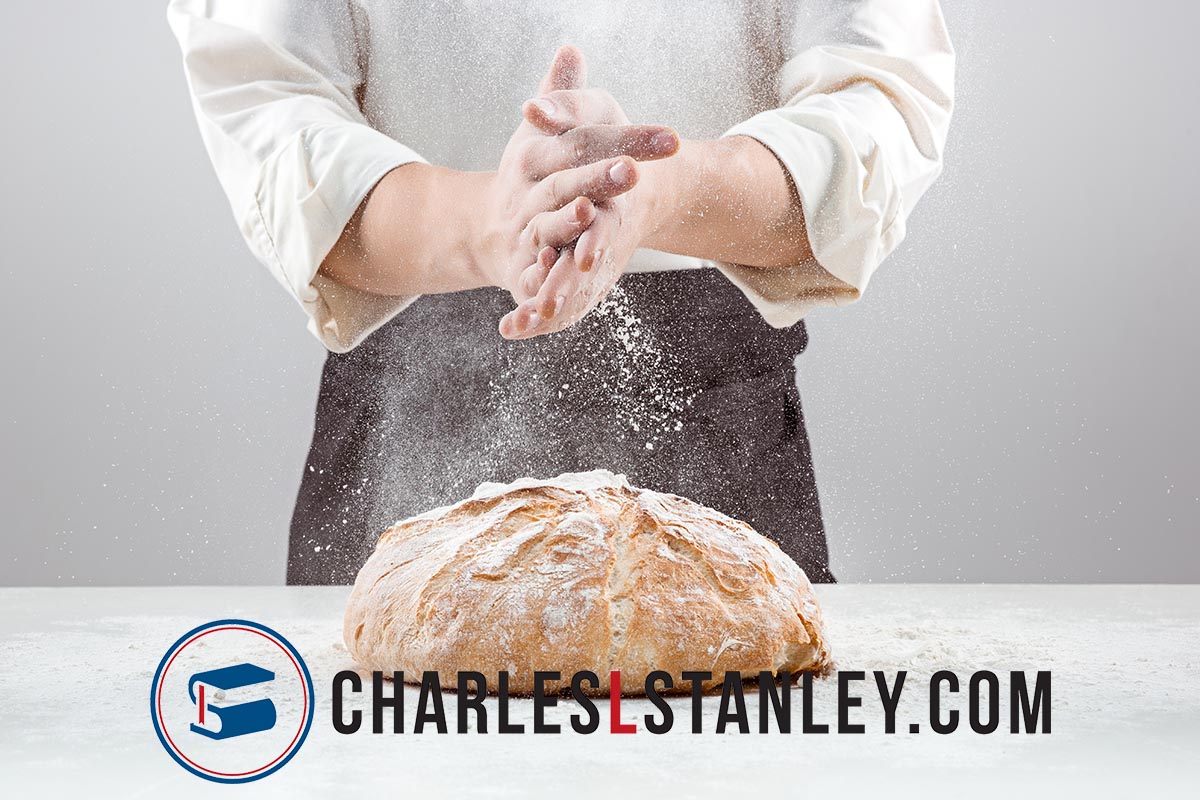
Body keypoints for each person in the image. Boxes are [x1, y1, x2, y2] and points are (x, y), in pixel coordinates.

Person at [168, 0, 954, 584]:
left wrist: (662, 191)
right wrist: (492, 222)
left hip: (720, 412)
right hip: (405, 402)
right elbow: (270, 103)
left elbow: (877, 99)